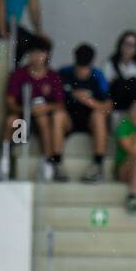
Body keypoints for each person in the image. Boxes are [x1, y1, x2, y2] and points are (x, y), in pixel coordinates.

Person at [4, 37, 69, 182]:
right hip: (23, 119)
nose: (37, 57)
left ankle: (48, 161)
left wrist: (45, 108)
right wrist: (27, 109)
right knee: (10, 121)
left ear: (47, 55)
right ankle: (4, 161)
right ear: (28, 54)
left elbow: (60, 103)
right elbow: (10, 103)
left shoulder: (53, 76)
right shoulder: (19, 75)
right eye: (34, 53)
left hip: (46, 120)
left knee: (44, 117)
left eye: (41, 53)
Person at [58, 43, 112, 181]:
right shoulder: (64, 73)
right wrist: (72, 96)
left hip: (89, 120)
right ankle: (56, 163)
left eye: (85, 69)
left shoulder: (98, 76)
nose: (82, 72)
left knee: (99, 116)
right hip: (69, 118)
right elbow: (53, 100)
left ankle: (97, 165)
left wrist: (89, 101)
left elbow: (108, 107)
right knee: (58, 115)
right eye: (79, 68)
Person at [103, 30, 136, 110]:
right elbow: (107, 84)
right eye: (126, 44)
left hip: (134, 97)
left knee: (133, 81)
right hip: (117, 97)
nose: (128, 48)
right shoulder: (111, 61)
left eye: (132, 45)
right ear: (120, 45)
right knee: (120, 82)